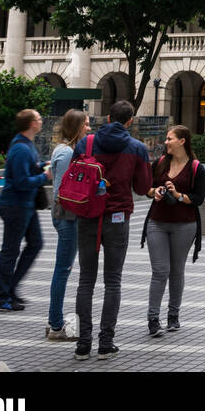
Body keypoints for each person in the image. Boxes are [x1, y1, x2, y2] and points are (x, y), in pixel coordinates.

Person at [72, 99, 152, 361]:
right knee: (112, 281)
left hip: (88, 216)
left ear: (107, 118)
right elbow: (142, 188)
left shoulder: (87, 143)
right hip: (118, 217)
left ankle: (83, 344)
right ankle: (105, 343)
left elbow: (75, 177)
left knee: (86, 280)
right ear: (129, 121)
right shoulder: (137, 148)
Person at [141, 125, 205, 337]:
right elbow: (146, 188)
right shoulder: (160, 163)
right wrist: (156, 192)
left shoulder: (196, 167)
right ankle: (153, 318)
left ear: (182, 141)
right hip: (157, 222)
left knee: (177, 270)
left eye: (170, 139)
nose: (166, 142)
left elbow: (198, 198)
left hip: (184, 225)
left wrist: (178, 195)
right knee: (160, 270)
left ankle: (173, 315)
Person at [0, 109, 51, 313]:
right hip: (15, 205)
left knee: (35, 243)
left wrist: (43, 165)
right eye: (39, 119)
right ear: (32, 123)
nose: (41, 121)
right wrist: (45, 177)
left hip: (26, 205)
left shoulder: (26, 146)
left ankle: (10, 288)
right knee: (10, 251)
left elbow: (29, 169)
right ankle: (0, 297)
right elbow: (21, 181)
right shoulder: (21, 149)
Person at [45, 109, 87, 340]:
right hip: (67, 218)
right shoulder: (67, 153)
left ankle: (54, 320)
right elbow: (62, 192)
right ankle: (56, 324)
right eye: (86, 124)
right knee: (63, 269)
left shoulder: (65, 150)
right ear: (77, 127)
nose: (89, 128)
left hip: (65, 217)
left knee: (63, 269)